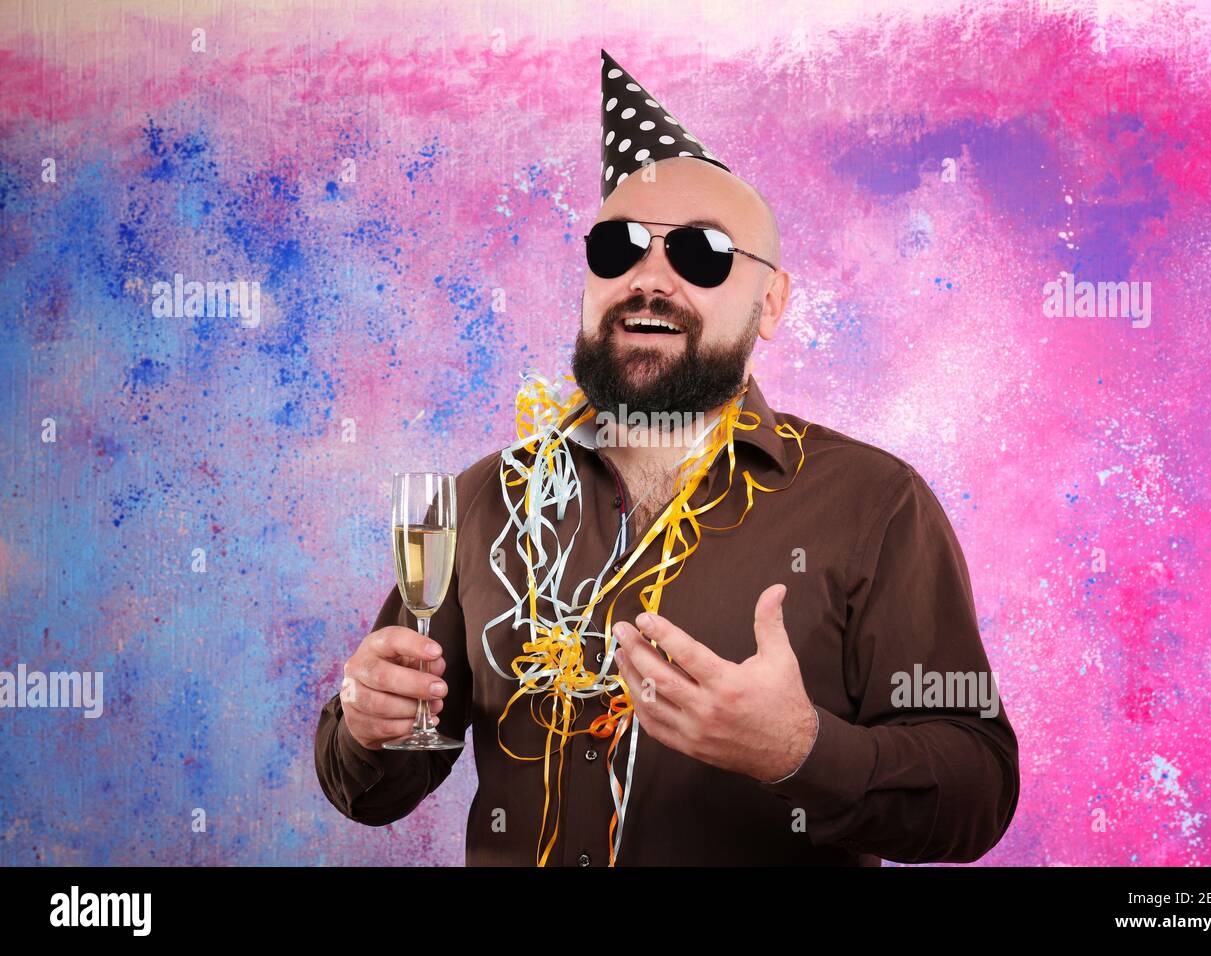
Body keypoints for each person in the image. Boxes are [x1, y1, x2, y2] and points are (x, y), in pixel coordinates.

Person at [314, 50, 1019, 866]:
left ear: (771, 303)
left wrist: (801, 751)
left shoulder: (873, 503)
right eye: (618, 248)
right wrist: (367, 723)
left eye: (703, 254)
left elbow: (979, 788)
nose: (649, 278)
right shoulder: (487, 497)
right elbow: (369, 785)